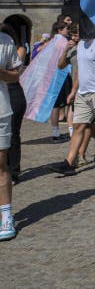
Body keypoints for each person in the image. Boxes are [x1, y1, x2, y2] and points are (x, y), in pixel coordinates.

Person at [47, 37, 95, 176]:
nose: (75, 35)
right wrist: (74, 91)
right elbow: (80, 70)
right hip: (83, 94)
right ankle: (70, 163)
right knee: (78, 126)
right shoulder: (80, 44)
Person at [0, 25, 22, 241]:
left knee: (0, 163)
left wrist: (1, 73)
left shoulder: (5, 40)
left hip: (0, 109)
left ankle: (6, 213)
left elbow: (15, 75)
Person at [1, 24, 26, 186]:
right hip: (6, 92)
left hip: (12, 93)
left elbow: (16, 74)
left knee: (13, 134)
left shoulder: (10, 45)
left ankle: (13, 171)